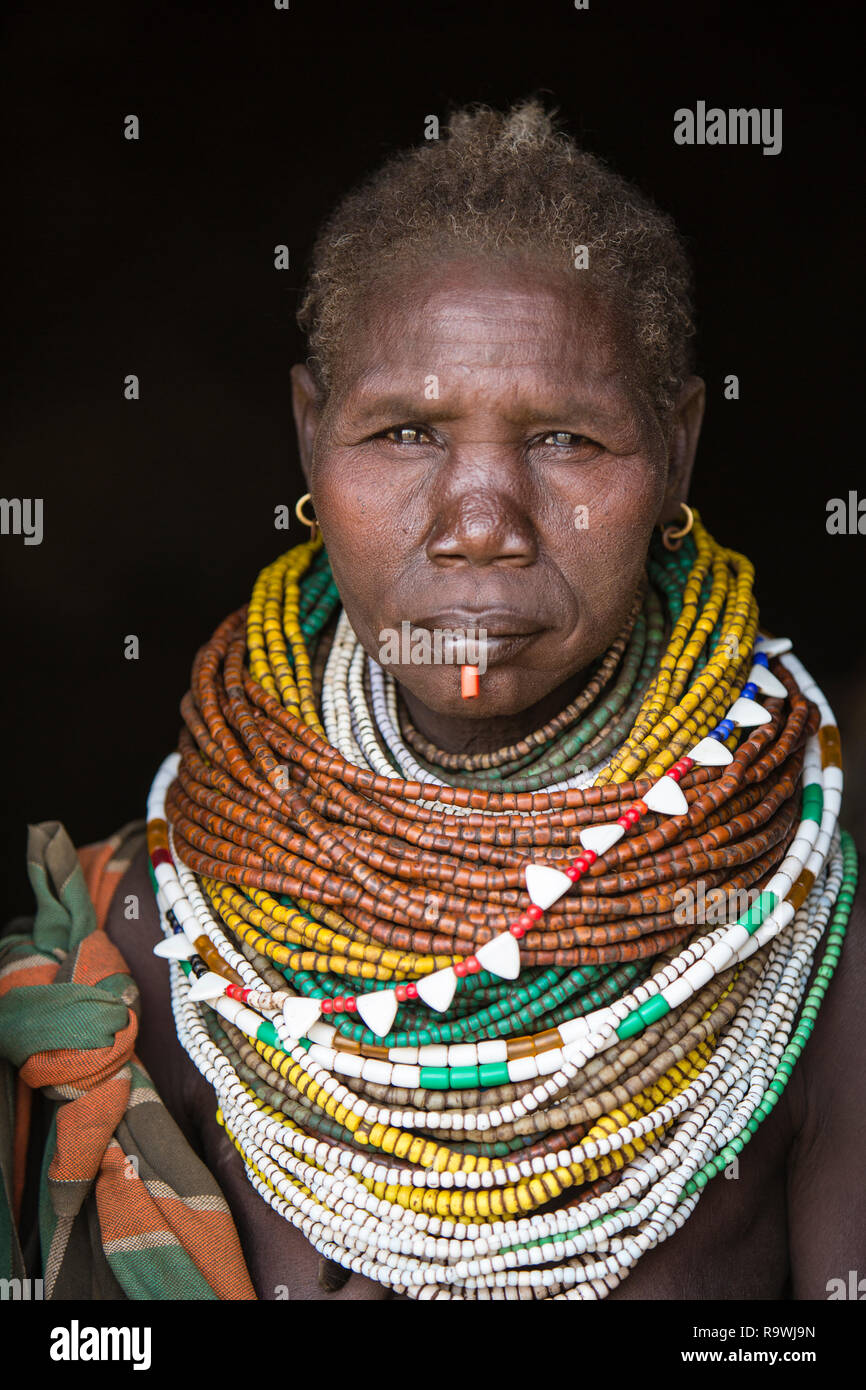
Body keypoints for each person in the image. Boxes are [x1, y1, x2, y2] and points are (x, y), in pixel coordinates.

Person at [2, 99, 864, 1302]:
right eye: (405, 431)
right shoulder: (158, 929)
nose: (477, 523)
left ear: (674, 448)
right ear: (310, 434)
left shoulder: (804, 917)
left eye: (563, 438)